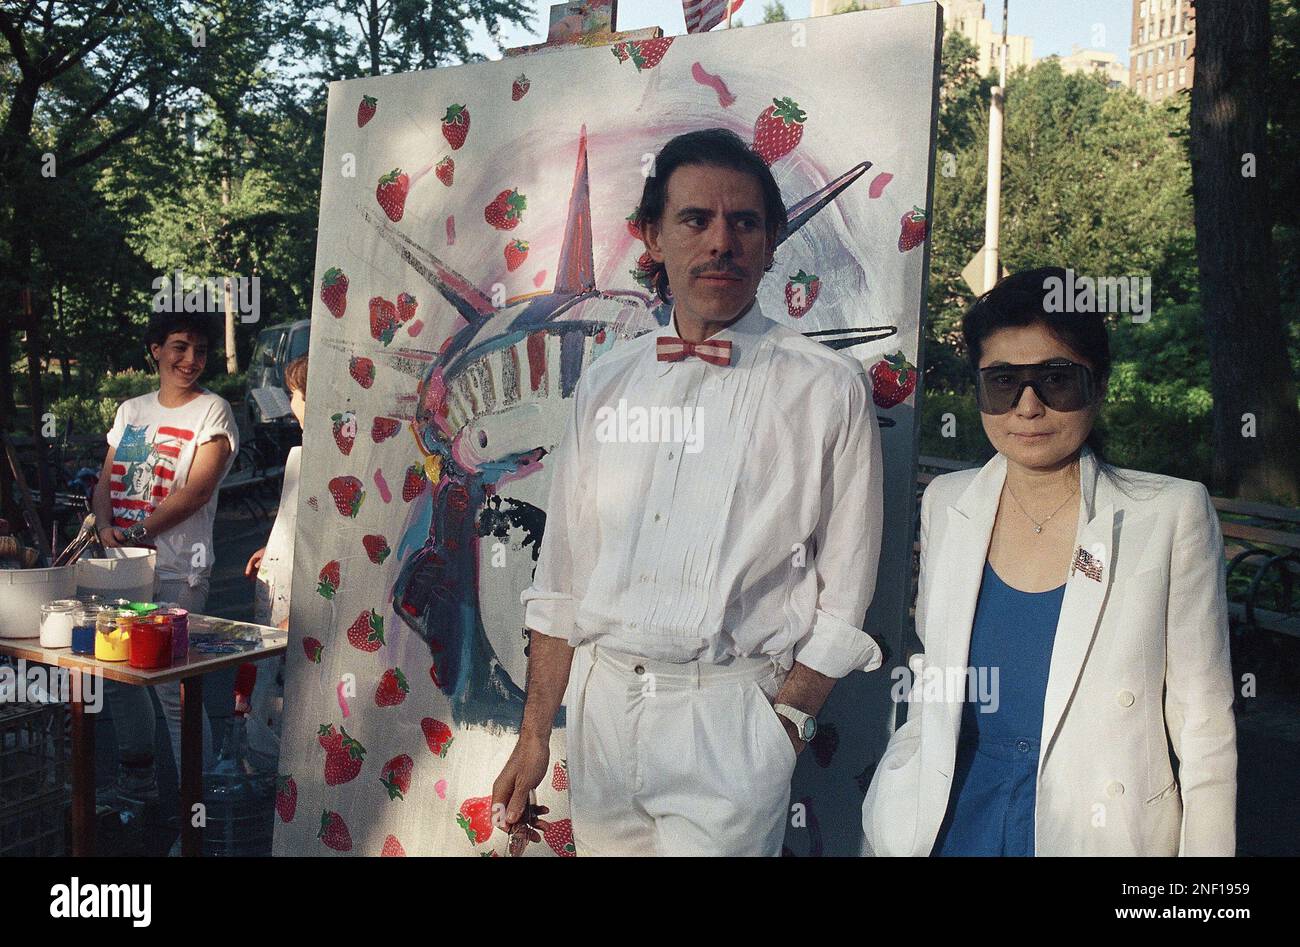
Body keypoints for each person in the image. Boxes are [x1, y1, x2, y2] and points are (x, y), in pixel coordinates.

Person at [491, 127, 885, 856]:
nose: (721, 243)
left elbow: (846, 591)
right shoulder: (607, 380)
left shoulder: (828, 389)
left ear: (771, 244)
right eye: (695, 219)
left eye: (744, 222)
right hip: (605, 712)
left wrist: (784, 727)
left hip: (731, 721)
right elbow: (562, 579)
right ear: (651, 237)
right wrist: (536, 734)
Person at [861, 267, 1237, 856]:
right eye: (1003, 381)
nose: (1028, 407)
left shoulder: (1168, 514)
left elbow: (1204, 723)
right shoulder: (948, 503)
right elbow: (933, 674)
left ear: (1099, 385)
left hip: (1094, 831)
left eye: (1056, 380)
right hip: (954, 822)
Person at [93, 311, 238, 814]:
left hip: (179, 571)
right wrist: (105, 527)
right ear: (155, 350)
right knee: (122, 681)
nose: (191, 360)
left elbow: (197, 491)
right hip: (122, 570)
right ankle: (138, 785)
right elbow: (104, 483)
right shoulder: (131, 410)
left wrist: (134, 532)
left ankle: (200, 817)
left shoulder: (212, 412)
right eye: (179, 347)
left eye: (199, 351)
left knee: (178, 697)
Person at [242, 354, 307, 763]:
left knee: (289, 697)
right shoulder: (300, 455)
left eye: (296, 394)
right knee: (266, 689)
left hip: (298, 604)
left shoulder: (327, 461)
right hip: (279, 585)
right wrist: (275, 547)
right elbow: (297, 522)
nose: (291, 402)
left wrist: (301, 613)